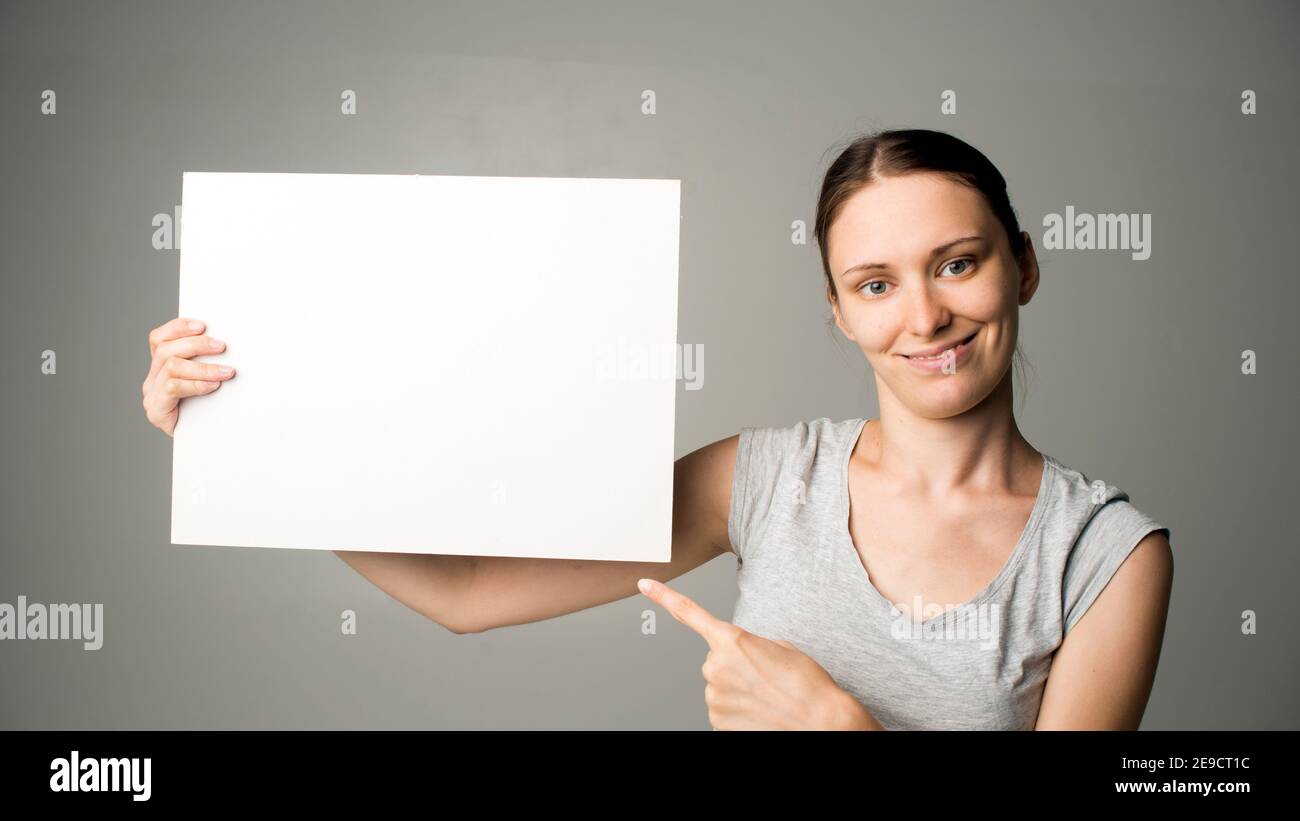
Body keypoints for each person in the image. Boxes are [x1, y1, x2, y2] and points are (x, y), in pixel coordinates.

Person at [141, 128, 1173, 731]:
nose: (924, 316)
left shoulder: (1106, 555)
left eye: (957, 262)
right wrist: (247, 439)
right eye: (875, 282)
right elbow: (467, 591)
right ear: (837, 308)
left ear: (1023, 265)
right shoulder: (764, 478)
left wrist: (835, 724)